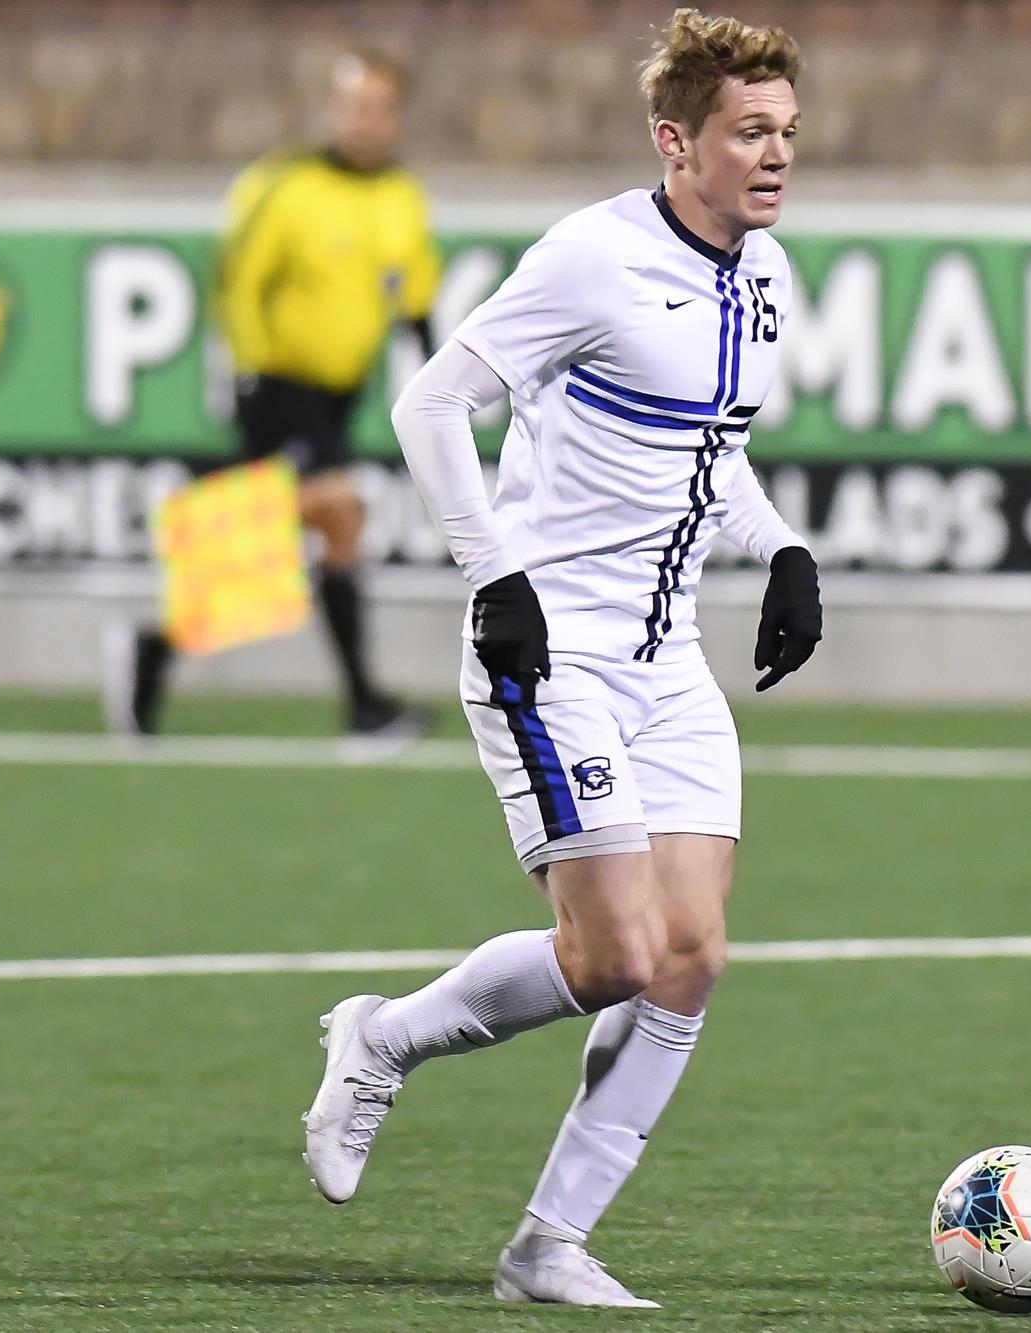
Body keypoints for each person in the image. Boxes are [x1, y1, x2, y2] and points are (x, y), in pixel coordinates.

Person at [299, 8, 821, 1310]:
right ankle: (380, 1037)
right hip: (548, 655)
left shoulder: (764, 276)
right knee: (614, 956)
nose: (775, 155)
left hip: (667, 663)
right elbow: (433, 402)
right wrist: (495, 577)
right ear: (675, 142)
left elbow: (710, 447)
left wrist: (781, 548)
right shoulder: (593, 257)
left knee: (691, 954)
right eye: (748, 132)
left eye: (787, 131)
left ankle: (548, 1247)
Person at [106, 47, 436, 738]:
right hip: (279, 384)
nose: (366, 120)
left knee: (311, 529)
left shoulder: (401, 197)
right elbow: (238, 279)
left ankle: (155, 647)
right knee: (338, 508)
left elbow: (415, 295)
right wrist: (249, 371)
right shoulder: (285, 186)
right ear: (333, 109)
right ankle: (364, 704)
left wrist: (440, 379)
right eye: (355, 105)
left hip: (340, 394)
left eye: (379, 108)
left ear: (396, 117)